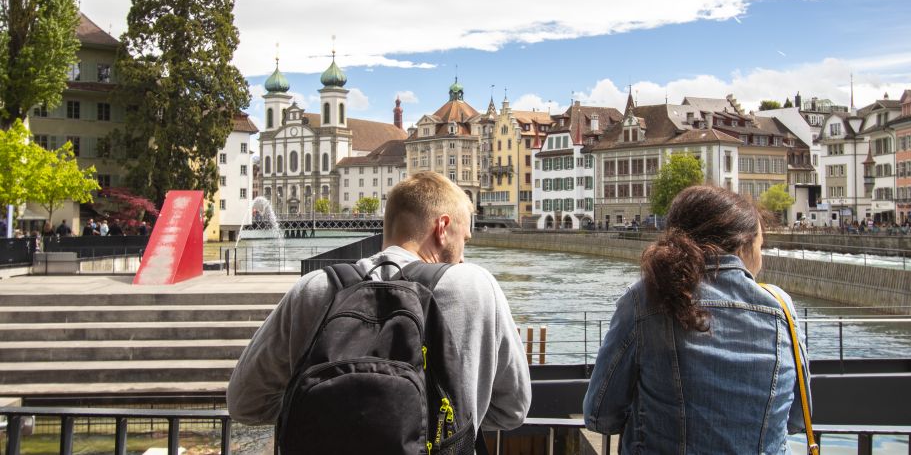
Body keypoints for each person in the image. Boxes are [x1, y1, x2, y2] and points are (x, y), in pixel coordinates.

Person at [227, 171, 531, 436]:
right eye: (463, 238)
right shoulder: (475, 286)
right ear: (442, 227)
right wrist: (443, 424)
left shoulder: (314, 288)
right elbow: (512, 409)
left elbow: (245, 404)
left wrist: (331, 418)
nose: (463, 254)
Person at [584, 185, 810, 453]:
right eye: (761, 245)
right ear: (743, 244)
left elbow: (600, 415)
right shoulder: (782, 308)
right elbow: (796, 419)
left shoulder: (645, 298)